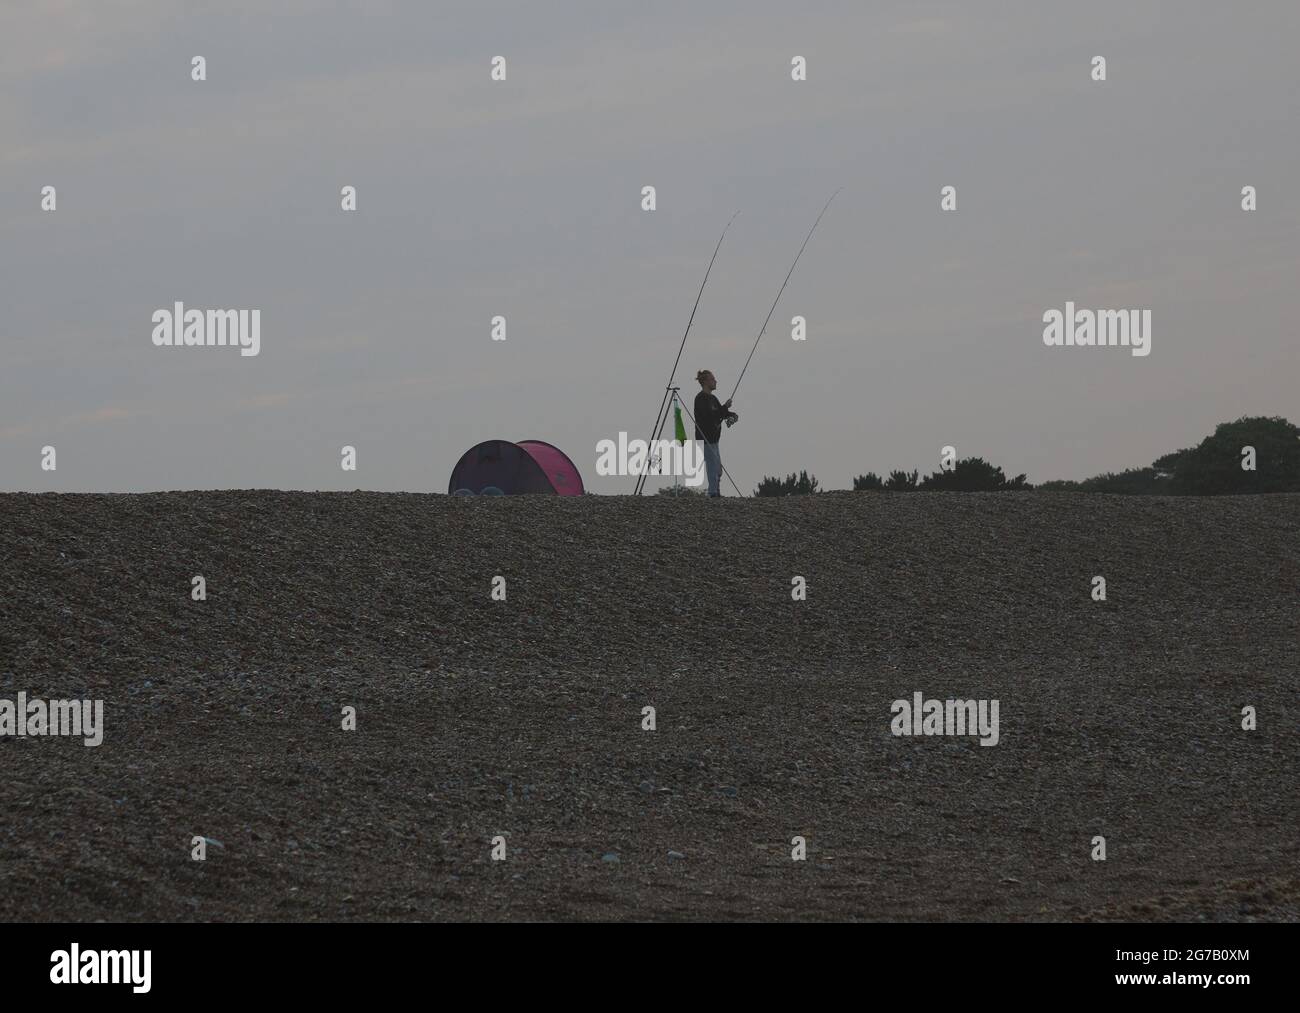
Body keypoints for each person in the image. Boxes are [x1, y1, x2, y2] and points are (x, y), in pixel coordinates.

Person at [693, 369, 733, 497]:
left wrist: (731, 414)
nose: (715, 381)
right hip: (705, 439)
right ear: (705, 382)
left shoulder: (713, 398)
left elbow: (720, 413)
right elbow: (710, 416)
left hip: (714, 439)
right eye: (712, 379)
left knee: (718, 469)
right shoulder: (700, 399)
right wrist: (725, 407)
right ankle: (713, 493)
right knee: (713, 467)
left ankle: (715, 491)